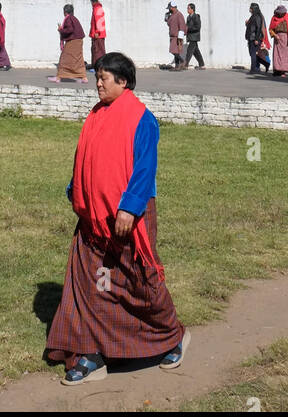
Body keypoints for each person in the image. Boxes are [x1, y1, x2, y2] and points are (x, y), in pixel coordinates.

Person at [45, 51, 188, 385]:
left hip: (127, 219)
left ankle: (170, 336)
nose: (97, 84)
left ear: (122, 82)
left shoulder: (142, 119)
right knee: (92, 283)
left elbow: (144, 167)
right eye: (97, 78)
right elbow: (86, 156)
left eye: (104, 79)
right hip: (93, 220)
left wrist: (129, 207)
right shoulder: (96, 114)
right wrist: (75, 189)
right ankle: (91, 353)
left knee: (138, 282)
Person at [53, 4, 87, 82]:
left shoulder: (68, 19)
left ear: (65, 12)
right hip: (79, 40)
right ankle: (84, 77)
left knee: (64, 57)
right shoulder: (74, 18)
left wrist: (61, 30)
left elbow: (70, 29)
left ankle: (59, 77)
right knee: (78, 58)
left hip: (73, 40)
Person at [270, 4, 288, 77]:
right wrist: (275, 35)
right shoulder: (274, 18)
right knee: (279, 55)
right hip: (278, 38)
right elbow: (271, 29)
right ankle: (281, 71)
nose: (281, 14)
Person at [245, 2, 269, 73]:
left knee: (253, 53)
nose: (249, 9)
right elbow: (252, 27)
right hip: (251, 37)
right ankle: (256, 68)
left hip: (254, 38)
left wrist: (256, 39)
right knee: (252, 53)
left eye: (251, 8)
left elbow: (258, 28)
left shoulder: (258, 17)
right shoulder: (253, 16)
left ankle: (253, 69)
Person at [163, 3, 186, 71]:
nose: (169, 9)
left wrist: (180, 38)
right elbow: (169, 23)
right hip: (172, 36)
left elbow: (182, 25)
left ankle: (182, 61)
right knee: (176, 52)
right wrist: (167, 18)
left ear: (173, 7)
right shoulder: (172, 15)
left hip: (177, 36)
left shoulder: (179, 14)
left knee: (173, 51)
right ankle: (177, 66)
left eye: (169, 8)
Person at [183, 3, 205, 69]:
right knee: (196, 52)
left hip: (194, 37)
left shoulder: (196, 17)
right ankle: (202, 65)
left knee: (189, 51)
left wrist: (188, 29)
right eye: (187, 8)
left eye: (188, 8)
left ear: (192, 9)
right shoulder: (188, 17)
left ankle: (185, 65)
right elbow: (186, 26)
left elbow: (198, 27)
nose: (187, 10)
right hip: (190, 37)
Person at [89, 0, 107, 69]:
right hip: (97, 34)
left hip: (98, 34)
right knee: (97, 50)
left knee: (98, 51)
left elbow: (99, 21)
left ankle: (98, 66)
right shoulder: (97, 8)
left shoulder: (97, 8)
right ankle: (96, 66)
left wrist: (97, 32)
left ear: (92, 2)